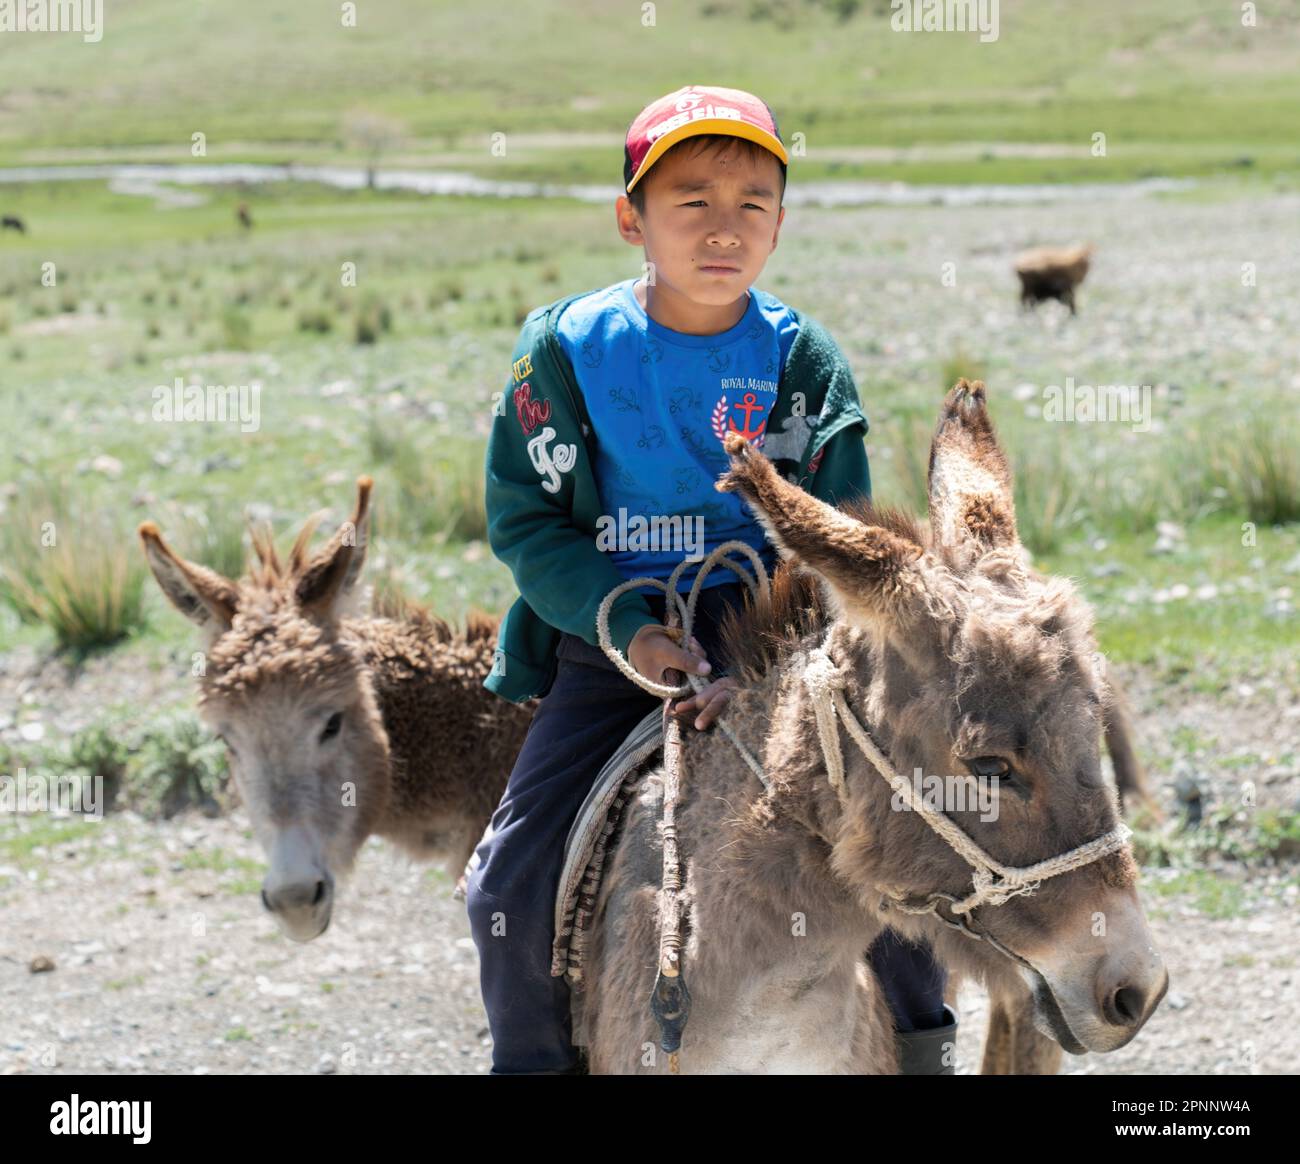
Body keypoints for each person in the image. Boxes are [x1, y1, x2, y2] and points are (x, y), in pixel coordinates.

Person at [467, 84, 955, 1075]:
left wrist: (784, 672)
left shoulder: (801, 359)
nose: (722, 228)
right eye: (690, 201)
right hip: (609, 636)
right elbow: (527, 521)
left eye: (752, 203)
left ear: (780, 220)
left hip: (778, 637)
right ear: (630, 217)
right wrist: (634, 630)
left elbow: (837, 539)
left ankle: (921, 1047)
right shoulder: (564, 351)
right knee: (505, 890)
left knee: (903, 847)